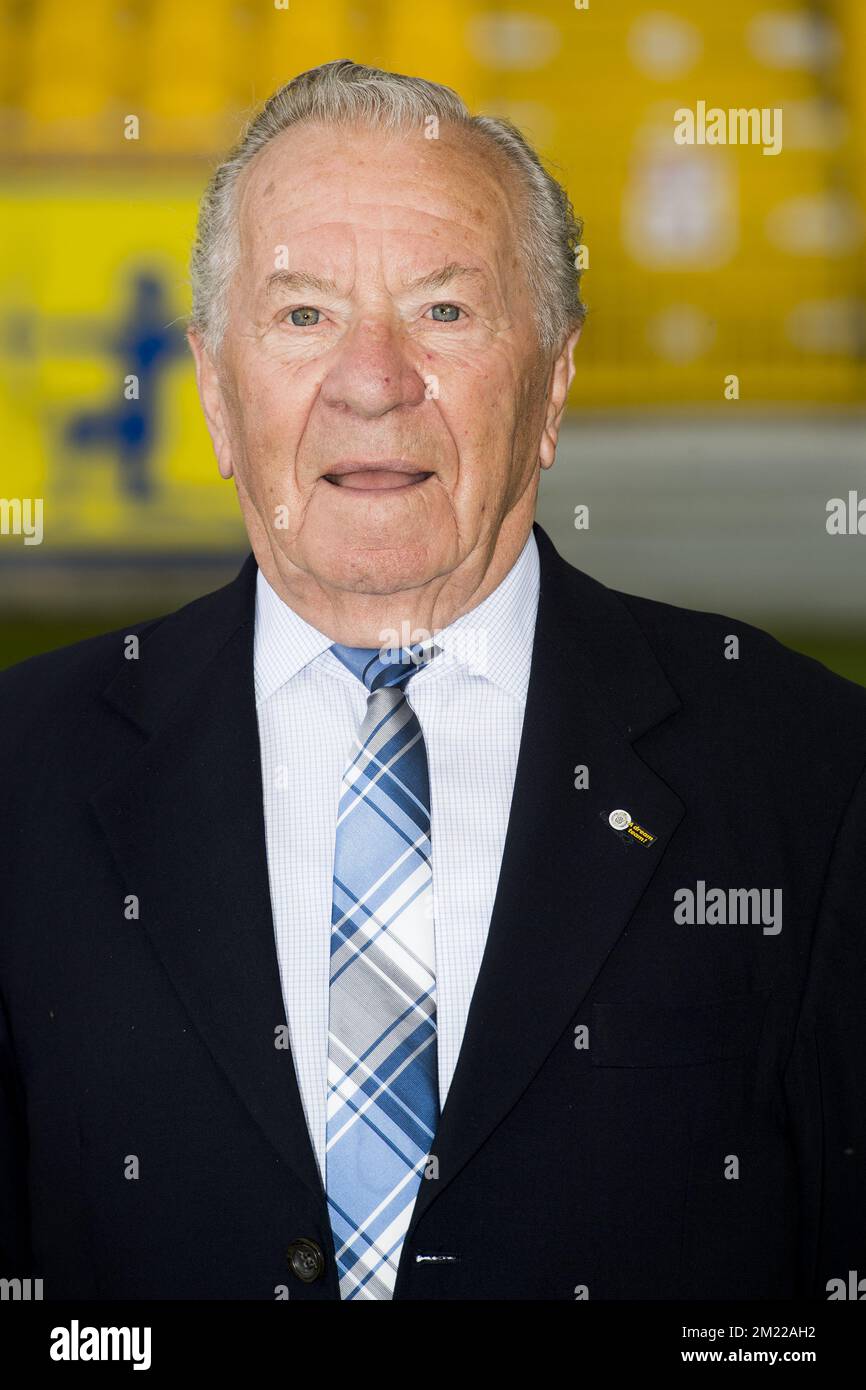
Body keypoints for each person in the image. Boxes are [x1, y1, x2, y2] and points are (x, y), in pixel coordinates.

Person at [1, 60, 864, 1302]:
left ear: (554, 380)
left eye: (444, 312)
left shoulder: (811, 774)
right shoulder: (21, 774)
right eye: (302, 316)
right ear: (213, 393)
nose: (372, 378)